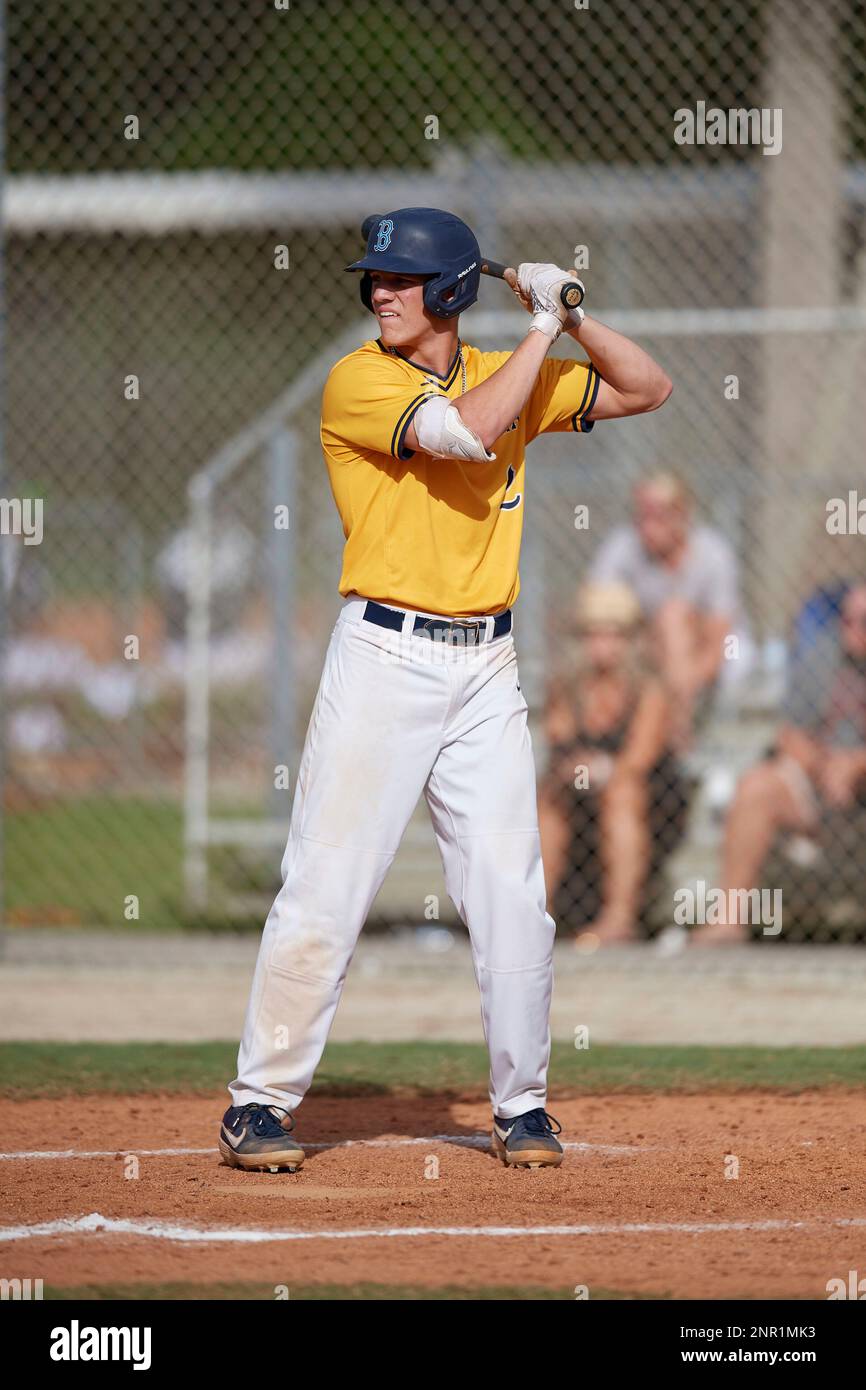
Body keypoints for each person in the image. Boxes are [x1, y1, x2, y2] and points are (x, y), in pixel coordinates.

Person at [219, 207, 671, 1172]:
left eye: (400, 278)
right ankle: (258, 1101)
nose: (379, 291)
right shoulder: (359, 380)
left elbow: (650, 386)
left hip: (487, 666)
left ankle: (523, 1108)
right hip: (384, 657)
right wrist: (542, 330)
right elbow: (466, 435)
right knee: (328, 883)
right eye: (372, 279)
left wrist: (574, 315)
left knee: (512, 893)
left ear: (453, 292)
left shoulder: (510, 373)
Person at [692, 582, 866, 944]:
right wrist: (826, 765)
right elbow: (790, 735)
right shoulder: (825, 656)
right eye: (845, 619)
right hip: (822, 786)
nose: (850, 629)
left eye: (861, 621)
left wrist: (856, 765)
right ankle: (729, 918)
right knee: (758, 785)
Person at [538, 582, 688, 945]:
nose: (602, 645)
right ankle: (536, 913)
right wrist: (577, 771)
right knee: (548, 798)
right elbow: (559, 745)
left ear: (631, 640)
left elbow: (639, 760)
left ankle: (619, 917)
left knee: (622, 792)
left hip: (650, 800)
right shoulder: (568, 687)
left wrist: (599, 771)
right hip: (581, 793)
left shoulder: (650, 689)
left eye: (613, 635)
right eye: (593, 634)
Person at [590, 472, 748, 746]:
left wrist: (682, 684)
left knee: (674, 618)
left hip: (717, 648)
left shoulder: (712, 553)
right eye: (642, 515)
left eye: (660, 516)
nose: (648, 527)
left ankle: (676, 739)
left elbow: (719, 636)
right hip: (647, 645)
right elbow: (595, 609)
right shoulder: (624, 547)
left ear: (683, 516)